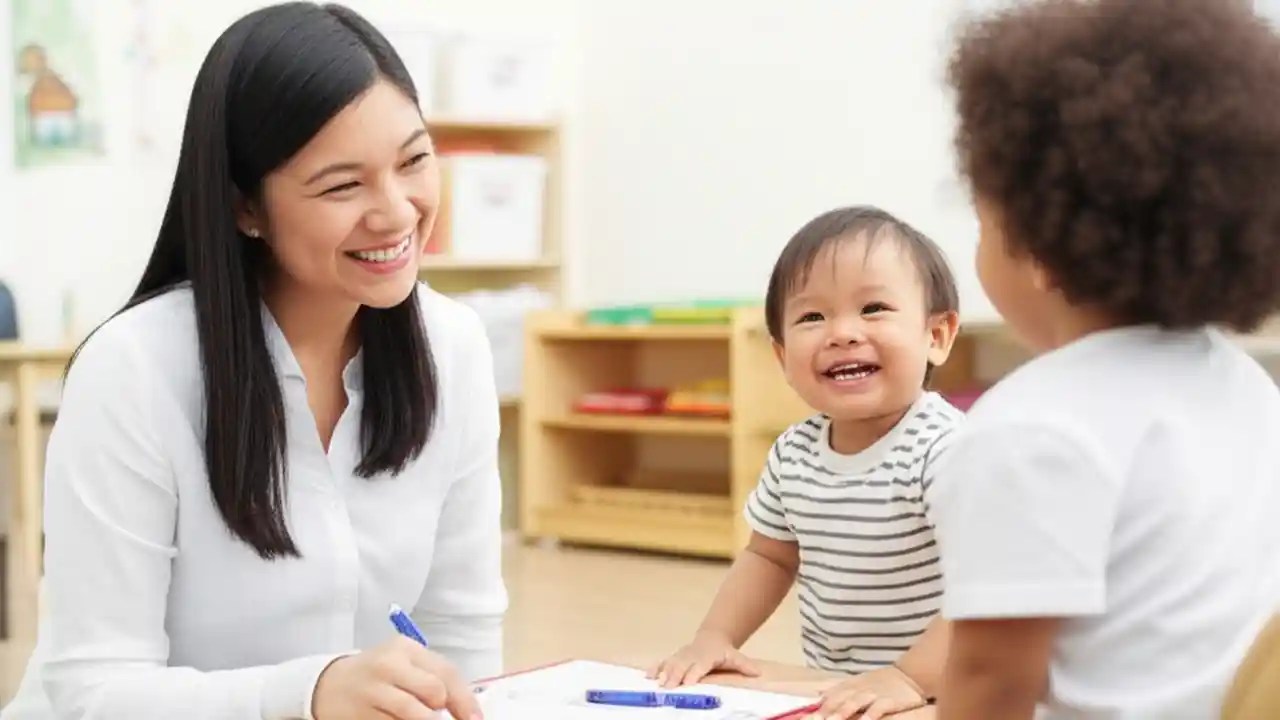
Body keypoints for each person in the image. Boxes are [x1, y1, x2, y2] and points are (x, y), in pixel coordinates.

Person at [1, 4, 506, 720]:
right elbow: (95, 690)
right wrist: (307, 694)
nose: (397, 212)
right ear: (247, 208)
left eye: (415, 160)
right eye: (342, 186)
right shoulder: (135, 370)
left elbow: (462, 640)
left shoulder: (453, 347)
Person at [930, 0, 1280, 718]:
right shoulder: (1248, 386)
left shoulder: (1030, 426)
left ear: (1039, 246)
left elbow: (991, 684)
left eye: (983, 223)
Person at [650, 206, 964, 719]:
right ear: (781, 358)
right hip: (841, 688)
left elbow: (989, 585)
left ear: (937, 336)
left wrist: (912, 676)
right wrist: (715, 637)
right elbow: (769, 558)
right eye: (812, 317)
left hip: (948, 691)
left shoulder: (946, 451)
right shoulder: (794, 453)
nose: (842, 333)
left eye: (874, 308)